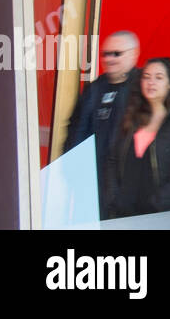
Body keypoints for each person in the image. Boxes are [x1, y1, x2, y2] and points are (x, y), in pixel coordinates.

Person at [104, 57, 170, 219]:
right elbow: (112, 159)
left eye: (158, 77)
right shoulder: (132, 115)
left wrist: (159, 201)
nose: (151, 82)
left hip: (163, 215)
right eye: (146, 76)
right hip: (125, 214)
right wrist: (114, 197)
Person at [64, 30, 140, 207]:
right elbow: (74, 131)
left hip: (130, 190)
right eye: (106, 54)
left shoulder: (145, 87)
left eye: (117, 53)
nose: (109, 58)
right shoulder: (93, 89)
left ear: (133, 54)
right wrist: (71, 172)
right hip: (90, 188)